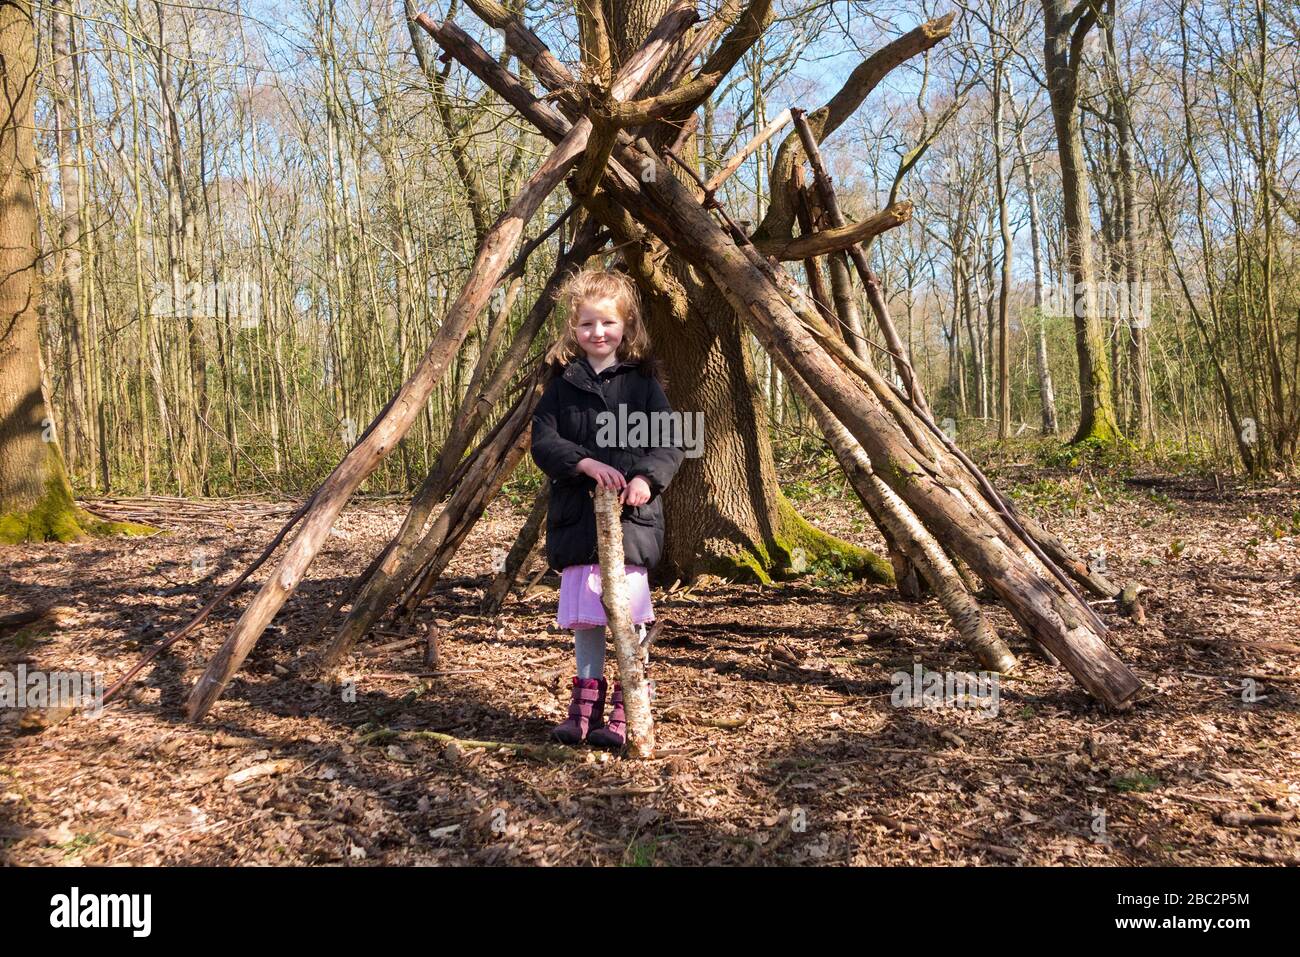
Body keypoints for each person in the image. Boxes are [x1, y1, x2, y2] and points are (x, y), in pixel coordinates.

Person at [529, 268, 685, 748]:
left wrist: (645, 478)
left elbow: (669, 441)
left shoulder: (641, 384)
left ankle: (626, 704)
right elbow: (544, 441)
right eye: (587, 325)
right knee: (586, 618)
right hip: (579, 523)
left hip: (632, 526)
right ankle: (585, 706)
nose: (598, 333)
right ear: (573, 330)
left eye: (607, 324)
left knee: (628, 615)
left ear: (627, 326)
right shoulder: (563, 384)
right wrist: (585, 463)